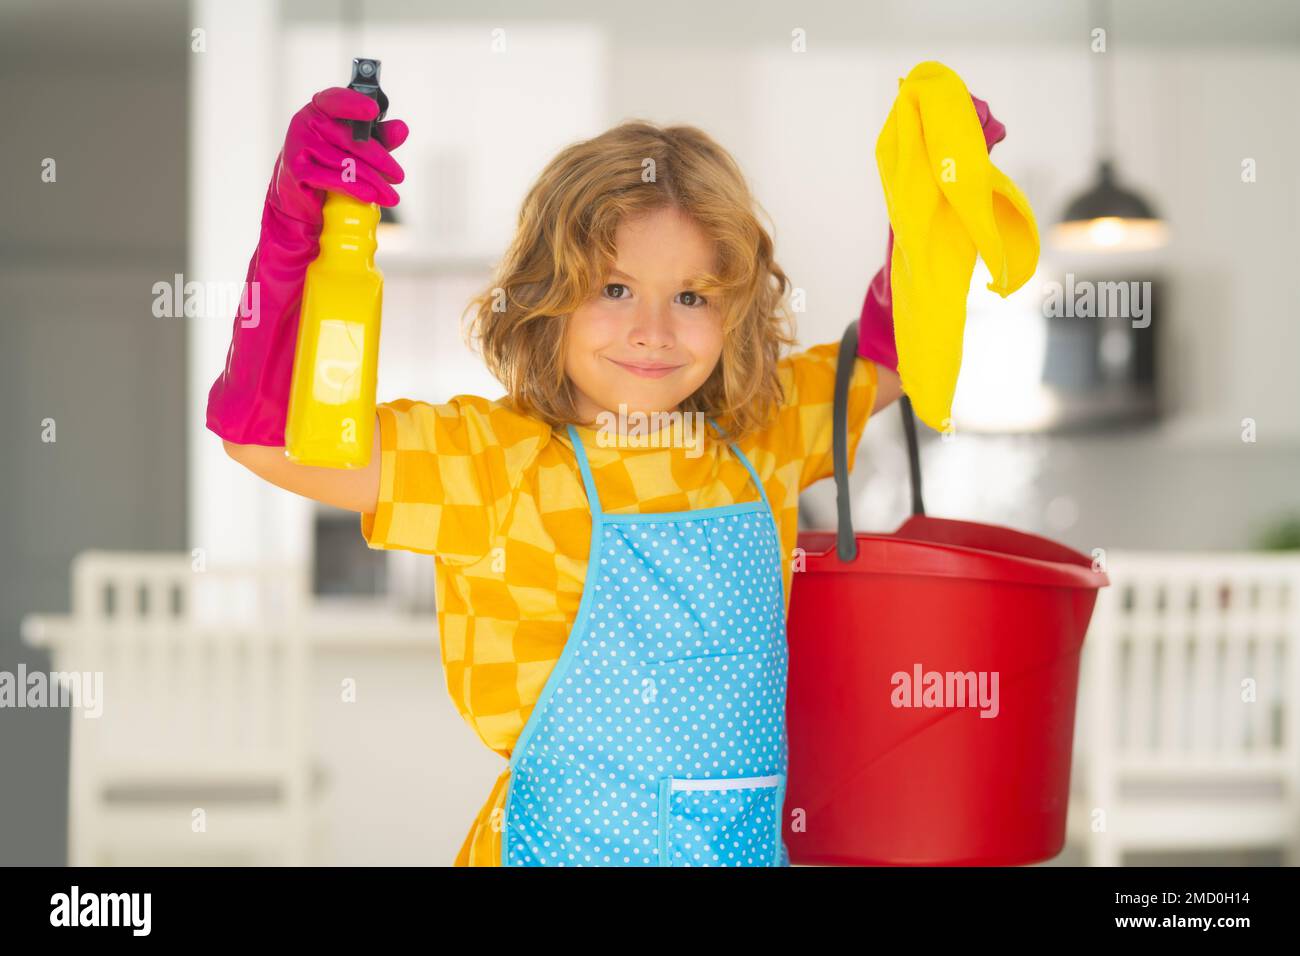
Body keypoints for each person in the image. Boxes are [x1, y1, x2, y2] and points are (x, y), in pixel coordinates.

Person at [210, 84, 1005, 866]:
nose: (652, 332)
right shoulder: (490, 460)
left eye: (691, 295)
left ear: (733, 315)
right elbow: (266, 439)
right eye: (614, 289)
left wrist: (935, 212)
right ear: (543, 299)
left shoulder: (766, 431)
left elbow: (892, 357)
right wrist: (293, 230)